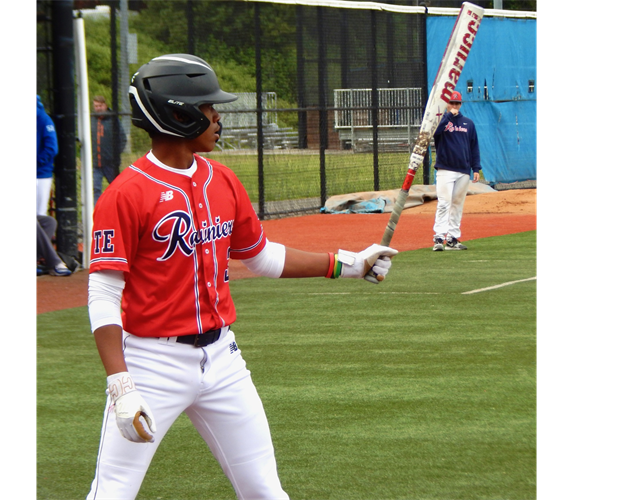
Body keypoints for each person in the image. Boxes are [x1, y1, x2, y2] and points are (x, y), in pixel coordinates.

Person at [84, 54, 398, 500]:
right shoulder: (125, 194)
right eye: (209, 106)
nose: (218, 115)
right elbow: (102, 293)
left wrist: (351, 264)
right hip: (150, 364)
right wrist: (121, 383)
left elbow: (263, 257)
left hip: (223, 360)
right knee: (112, 492)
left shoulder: (222, 180)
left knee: (266, 491)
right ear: (178, 112)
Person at [431, 90, 481, 251]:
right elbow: (435, 132)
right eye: (451, 103)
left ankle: (452, 238)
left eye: (457, 103)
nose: (454, 106)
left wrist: (476, 168)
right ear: (447, 104)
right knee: (444, 203)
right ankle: (439, 237)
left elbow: (474, 146)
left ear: (461, 104)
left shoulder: (468, 123)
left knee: (457, 204)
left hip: (463, 170)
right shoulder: (442, 122)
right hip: (445, 168)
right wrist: (447, 116)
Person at [91, 95, 127, 204]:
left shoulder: (113, 120)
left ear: (105, 106)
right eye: (96, 106)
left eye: (100, 106)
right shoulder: (91, 120)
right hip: (95, 163)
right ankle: (96, 212)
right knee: (95, 189)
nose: (98, 108)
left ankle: (118, 207)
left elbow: (122, 139)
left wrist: (115, 155)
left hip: (110, 163)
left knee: (116, 187)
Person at [36, 95, 58, 216]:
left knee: (40, 214)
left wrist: (37, 163)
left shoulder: (44, 120)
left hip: (41, 175)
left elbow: (51, 148)